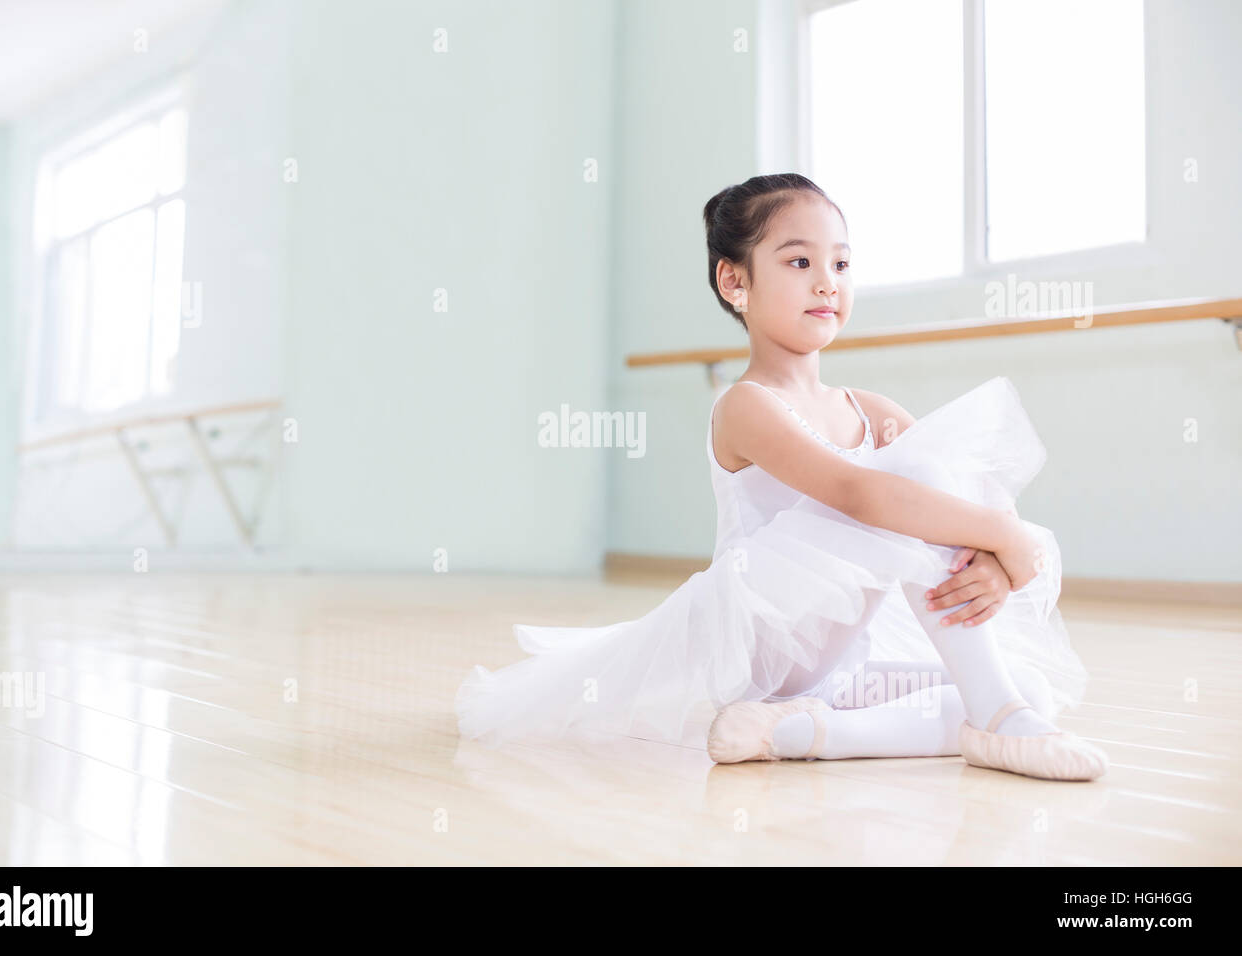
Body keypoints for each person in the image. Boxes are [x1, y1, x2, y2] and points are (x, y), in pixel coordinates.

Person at [455, 173, 1108, 782]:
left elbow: (946, 513)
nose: (827, 282)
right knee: (908, 480)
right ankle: (993, 719)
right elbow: (861, 495)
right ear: (735, 283)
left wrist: (991, 562)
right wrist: (1005, 534)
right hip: (769, 647)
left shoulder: (871, 411)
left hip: (841, 664)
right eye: (800, 262)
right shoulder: (747, 406)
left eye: (841, 264)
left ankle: (811, 733)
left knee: (1031, 688)